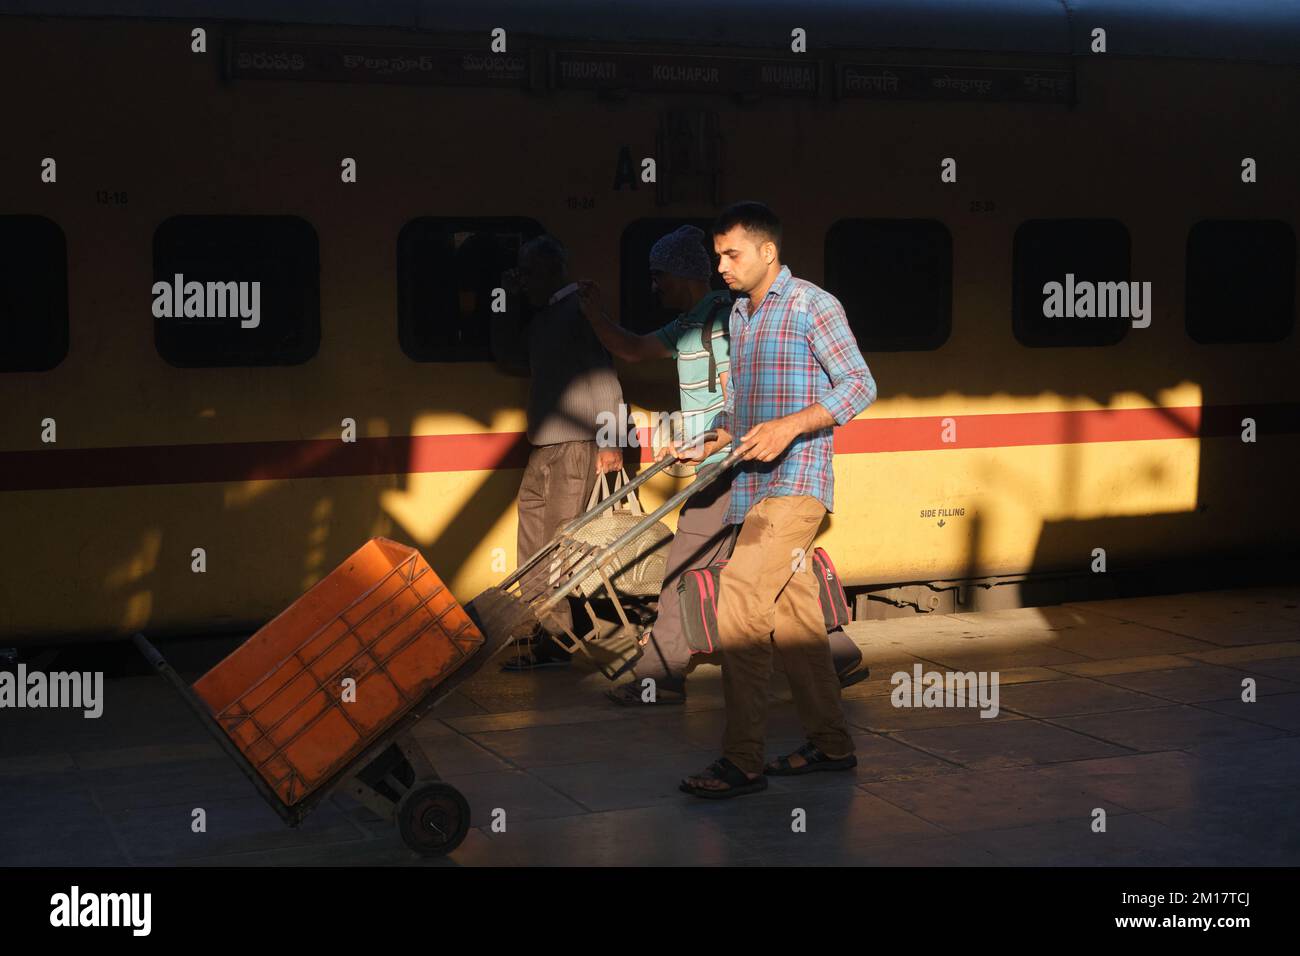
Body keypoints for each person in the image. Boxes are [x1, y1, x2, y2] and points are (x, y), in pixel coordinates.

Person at [578, 225, 870, 705]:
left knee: (686, 565)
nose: (654, 286)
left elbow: (844, 384)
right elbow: (631, 348)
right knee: (774, 575)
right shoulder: (692, 322)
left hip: (737, 468)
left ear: (684, 273)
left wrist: (768, 432)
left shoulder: (728, 316)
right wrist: (595, 315)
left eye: (660, 275)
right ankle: (837, 655)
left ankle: (661, 677)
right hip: (722, 457)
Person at [675, 202, 878, 798]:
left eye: (730, 254)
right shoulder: (740, 316)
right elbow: (745, 413)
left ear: (768, 252)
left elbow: (860, 385)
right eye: (717, 256)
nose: (720, 266)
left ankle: (742, 761)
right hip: (752, 490)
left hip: (796, 486)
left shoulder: (814, 304)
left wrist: (790, 427)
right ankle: (831, 745)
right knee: (796, 624)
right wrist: (714, 440)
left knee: (738, 603)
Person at [490, 234, 625, 669]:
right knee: (534, 541)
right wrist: (505, 300)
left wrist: (610, 440)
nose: (525, 283)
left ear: (550, 270)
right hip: (545, 444)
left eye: (528, 274)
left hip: (575, 444)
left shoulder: (578, 312)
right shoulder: (545, 316)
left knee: (555, 543)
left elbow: (604, 375)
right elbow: (508, 354)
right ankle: (534, 626)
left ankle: (555, 637)